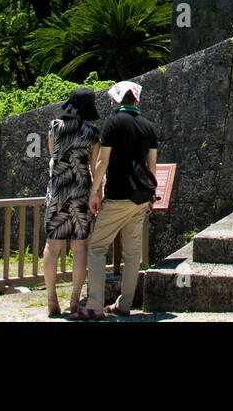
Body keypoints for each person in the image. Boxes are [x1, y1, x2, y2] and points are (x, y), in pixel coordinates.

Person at [81, 81, 159, 320]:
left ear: (116, 100)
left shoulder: (113, 123)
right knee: (133, 253)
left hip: (117, 195)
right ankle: (124, 305)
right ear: (136, 99)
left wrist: (95, 191)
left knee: (96, 247)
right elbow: (152, 166)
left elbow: (102, 162)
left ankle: (94, 305)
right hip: (140, 197)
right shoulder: (148, 127)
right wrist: (152, 197)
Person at [41, 88, 101, 318]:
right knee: (79, 248)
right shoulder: (92, 133)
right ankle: (75, 301)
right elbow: (95, 168)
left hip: (57, 192)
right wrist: (97, 194)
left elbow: (52, 156)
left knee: (52, 247)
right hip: (80, 193)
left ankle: (51, 299)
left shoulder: (54, 127)